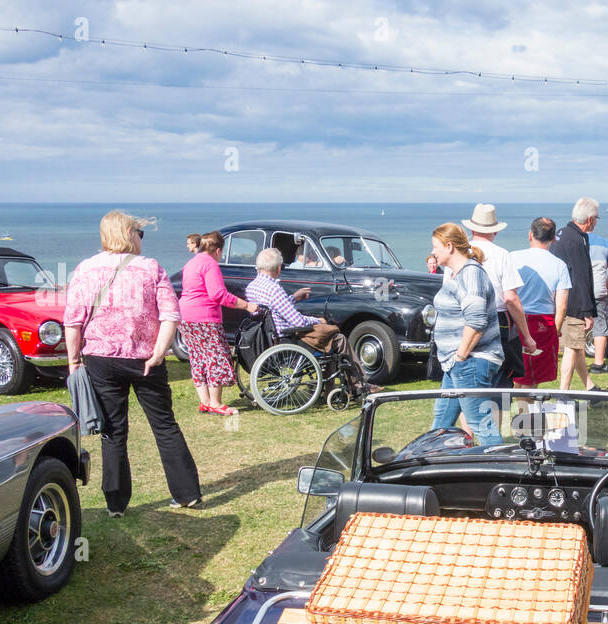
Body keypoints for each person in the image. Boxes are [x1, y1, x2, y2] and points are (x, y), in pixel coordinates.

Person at [64, 210, 201, 517]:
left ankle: (115, 503)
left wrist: (74, 362)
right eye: (140, 232)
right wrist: (158, 352)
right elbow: (170, 315)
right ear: (128, 233)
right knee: (164, 426)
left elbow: (72, 321)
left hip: (101, 358)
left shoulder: (85, 269)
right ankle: (187, 494)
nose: (141, 238)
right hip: (144, 359)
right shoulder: (151, 268)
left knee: (113, 431)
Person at [244, 249, 380, 393]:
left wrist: (293, 298)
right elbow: (297, 322)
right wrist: (317, 320)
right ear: (278, 268)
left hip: (267, 338)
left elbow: (274, 309)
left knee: (327, 339)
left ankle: (331, 388)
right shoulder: (274, 289)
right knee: (336, 339)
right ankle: (356, 385)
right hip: (287, 339)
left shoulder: (251, 288)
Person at [428, 223, 503, 446]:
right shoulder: (458, 274)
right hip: (456, 363)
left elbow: (477, 321)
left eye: (436, 247)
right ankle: (431, 461)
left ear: (449, 246)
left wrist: (460, 355)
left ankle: (500, 468)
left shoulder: (471, 274)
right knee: (441, 424)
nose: (433, 253)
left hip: (469, 361)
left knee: (480, 423)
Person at [180, 231, 255, 415]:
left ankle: (205, 401)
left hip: (186, 316)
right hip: (205, 316)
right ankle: (216, 403)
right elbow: (218, 294)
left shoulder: (191, 263)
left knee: (198, 358)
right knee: (216, 356)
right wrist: (246, 305)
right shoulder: (210, 264)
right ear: (218, 250)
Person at [462, 203, 536, 388]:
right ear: (494, 231)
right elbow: (510, 298)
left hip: (464, 320)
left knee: (466, 386)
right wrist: (526, 335)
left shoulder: (458, 253)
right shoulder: (502, 255)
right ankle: (495, 416)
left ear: (471, 228)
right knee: (499, 382)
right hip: (498, 321)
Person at [550, 198, 604, 392]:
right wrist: (588, 311)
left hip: (558, 299)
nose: (597, 221)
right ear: (589, 219)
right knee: (572, 349)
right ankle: (563, 392)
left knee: (577, 346)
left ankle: (589, 387)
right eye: (596, 218)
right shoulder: (577, 240)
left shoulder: (560, 234)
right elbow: (581, 276)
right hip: (573, 304)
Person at [509, 218, 571, 387]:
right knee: (532, 376)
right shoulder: (559, 265)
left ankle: (519, 411)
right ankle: (525, 413)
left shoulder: (512, 257)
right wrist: (555, 330)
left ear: (530, 235)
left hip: (514, 317)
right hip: (543, 322)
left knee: (514, 372)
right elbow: (562, 305)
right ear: (552, 239)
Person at [585, 216, 608, 375]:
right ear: (593, 223)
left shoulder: (577, 242)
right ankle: (598, 363)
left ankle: (574, 359)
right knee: (601, 326)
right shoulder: (604, 243)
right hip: (599, 291)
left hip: (580, 291)